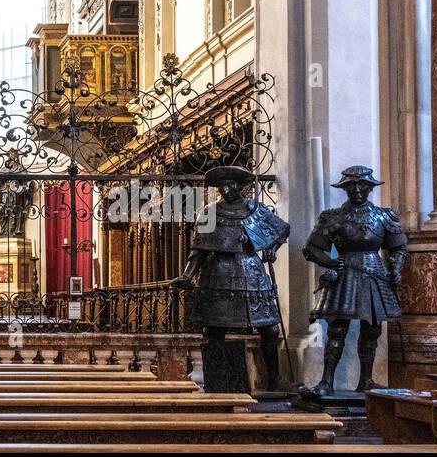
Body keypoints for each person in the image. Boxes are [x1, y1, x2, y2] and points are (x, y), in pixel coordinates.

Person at [172, 165, 290, 391]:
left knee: (269, 329)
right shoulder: (209, 212)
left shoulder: (256, 209)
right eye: (222, 186)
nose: (226, 189)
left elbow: (281, 230)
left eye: (231, 184)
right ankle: (217, 381)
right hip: (219, 273)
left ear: (240, 185)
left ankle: (274, 378)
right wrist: (187, 275)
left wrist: (271, 247)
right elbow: (199, 249)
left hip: (251, 272)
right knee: (215, 330)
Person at [302, 165, 406, 396]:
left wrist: (396, 269)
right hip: (345, 274)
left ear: (370, 187)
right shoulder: (333, 217)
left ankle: (367, 380)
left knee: (372, 331)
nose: (357, 189)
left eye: (362, 185)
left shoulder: (385, 216)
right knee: (337, 330)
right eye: (352, 185)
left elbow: (398, 248)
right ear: (346, 188)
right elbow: (311, 248)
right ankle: (326, 381)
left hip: (375, 274)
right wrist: (330, 263)